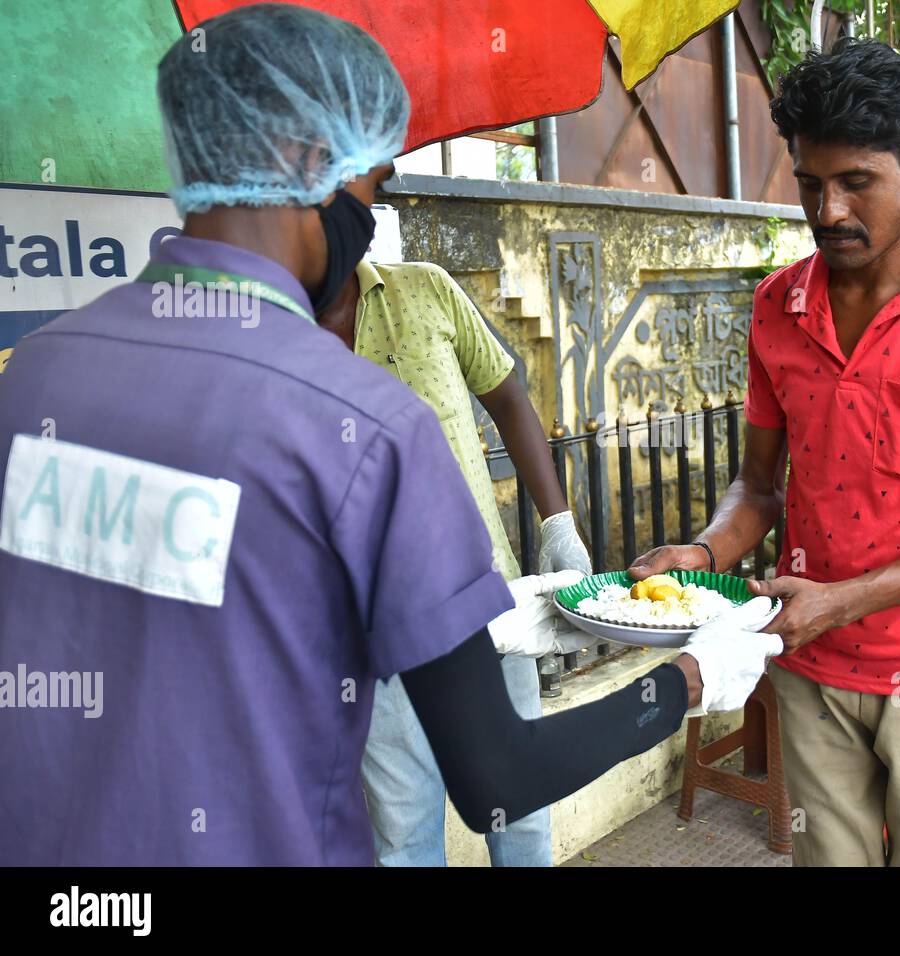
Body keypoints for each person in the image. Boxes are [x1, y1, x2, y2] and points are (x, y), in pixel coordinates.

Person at [0, 4, 781, 866]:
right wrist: (688, 682)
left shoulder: (33, 376)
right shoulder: (365, 427)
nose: (370, 212)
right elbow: (498, 779)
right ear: (307, 164)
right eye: (371, 182)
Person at [631, 39, 900, 867]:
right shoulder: (776, 305)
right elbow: (758, 488)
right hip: (809, 662)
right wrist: (703, 553)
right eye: (810, 185)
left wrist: (846, 598)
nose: (828, 212)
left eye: (856, 181)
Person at [316, 259, 591, 866]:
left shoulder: (426, 288)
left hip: (483, 597)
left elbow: (508, 396)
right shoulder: (273, 336)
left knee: (519, 799)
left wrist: (558, 523)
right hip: (367, 628)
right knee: (405, 828)